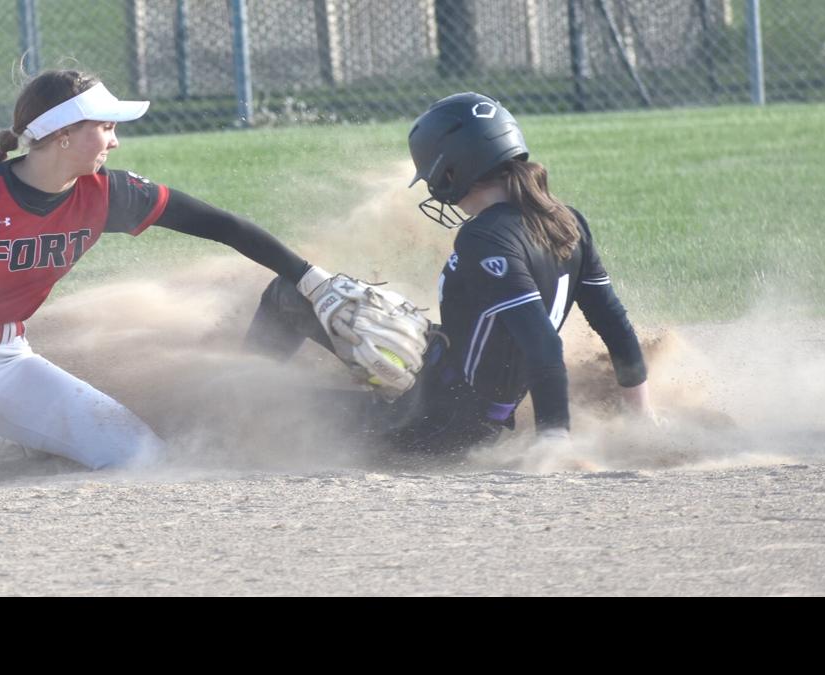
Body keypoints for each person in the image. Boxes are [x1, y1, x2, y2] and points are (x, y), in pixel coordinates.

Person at [0, 68, 415, 484]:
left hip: (1, 358)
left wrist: (308, 278)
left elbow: (221, 224)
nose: (115, 139)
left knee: (138, 454)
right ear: (65, 133)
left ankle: (40, 436)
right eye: (105, 127)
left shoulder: (106, 196)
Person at [245, 92, 653, 462]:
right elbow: (613, 322)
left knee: (276, 388)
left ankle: (234, 397)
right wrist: (642, 417)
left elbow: (542, 343)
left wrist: (553, 438)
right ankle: (245, 388)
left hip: (432, 423)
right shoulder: (567, 221)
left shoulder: (485, 237)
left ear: (452, 172)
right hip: (463, 407)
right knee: (313, 306)